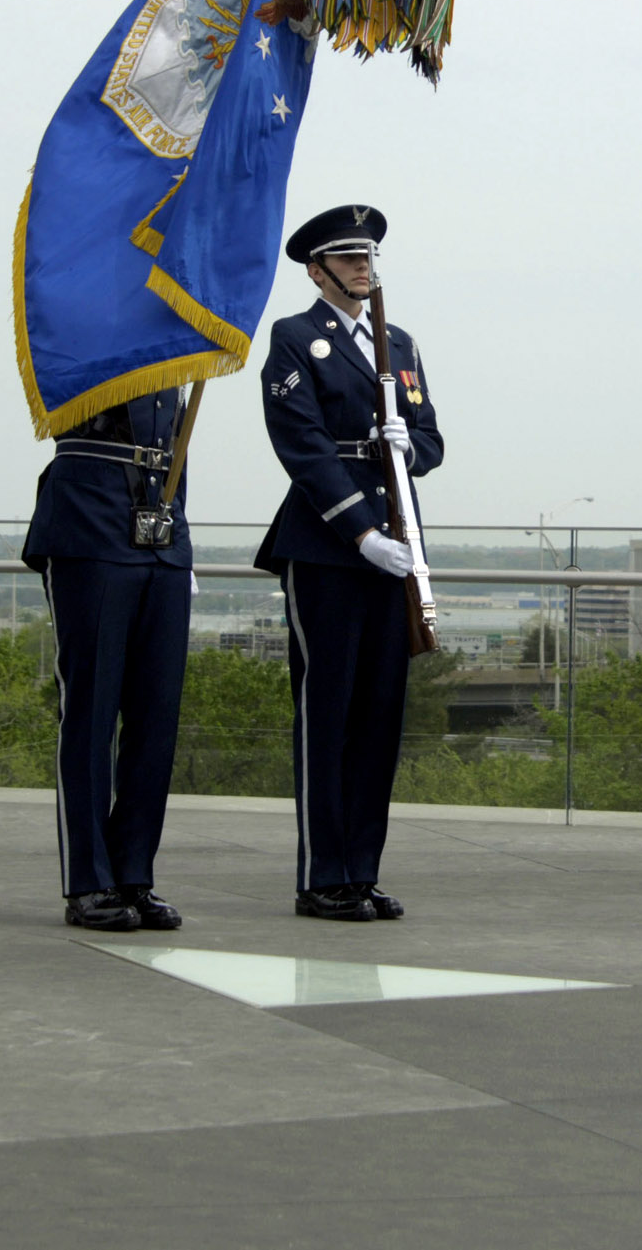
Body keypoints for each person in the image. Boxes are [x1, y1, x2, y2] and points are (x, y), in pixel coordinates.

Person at [254, 205, 443, 922]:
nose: (363, 266)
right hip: (328, 546)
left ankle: (361, 869)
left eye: (367, 255)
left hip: (399, 545)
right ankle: (321, 873)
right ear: (317, 268)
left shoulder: (401, 344)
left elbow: (431, 440)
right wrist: (361, 533)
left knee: (379, 716)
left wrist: (408, 444)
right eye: (347, 256)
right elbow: (300, 445)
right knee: (327, 712)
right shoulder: (296, 338)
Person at [22, 385, 195, 933]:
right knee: (92, 712)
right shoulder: (86, 305)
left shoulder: (168, 319)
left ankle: (132, 873)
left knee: (156, 716)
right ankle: (89, 879)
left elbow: (172, 438)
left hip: (161, 528)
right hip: (90, 518)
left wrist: (177, 527)